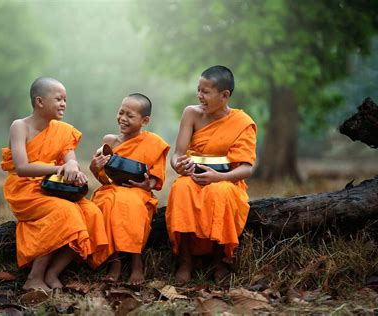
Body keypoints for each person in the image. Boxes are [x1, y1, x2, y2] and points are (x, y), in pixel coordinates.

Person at [1, 77, 108, 291]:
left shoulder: (63, 131)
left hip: (56, 189)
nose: (64, 104)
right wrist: (58, 168)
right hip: (25, 191)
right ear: (40, 102)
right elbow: (22, 167)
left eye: (65, 100)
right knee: (67, 212)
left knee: (92, 213)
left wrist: (73, 169)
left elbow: (71, 159)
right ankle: (34, 277)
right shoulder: (20, 127)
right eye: (58, 99)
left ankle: (53, 272)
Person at [166, 65, 257, 284]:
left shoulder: (242, 123)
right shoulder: (191, 113)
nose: (199, 96)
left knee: (220, 192)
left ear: (224, 95)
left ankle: (220, 260)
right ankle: (185, 260)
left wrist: (218, 177)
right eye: (198, 90)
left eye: (205, 92)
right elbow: (177, 154)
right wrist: (180, 165)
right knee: (181, 188)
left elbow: (246, 168)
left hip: (226, 180)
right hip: (194, 176)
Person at [89, 93, 170, 284]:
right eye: (121, 112)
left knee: (132, 203)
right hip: (112, 190)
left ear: (145, 120)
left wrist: (146, 185)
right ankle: (115, 262)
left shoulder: (154, 143)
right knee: (108, 203)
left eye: (130, 116)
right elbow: (103, 178)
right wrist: (95, 166)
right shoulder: (110, 140)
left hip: (138, 192)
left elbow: (156, 177)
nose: (123, 119)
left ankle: (136, 261)